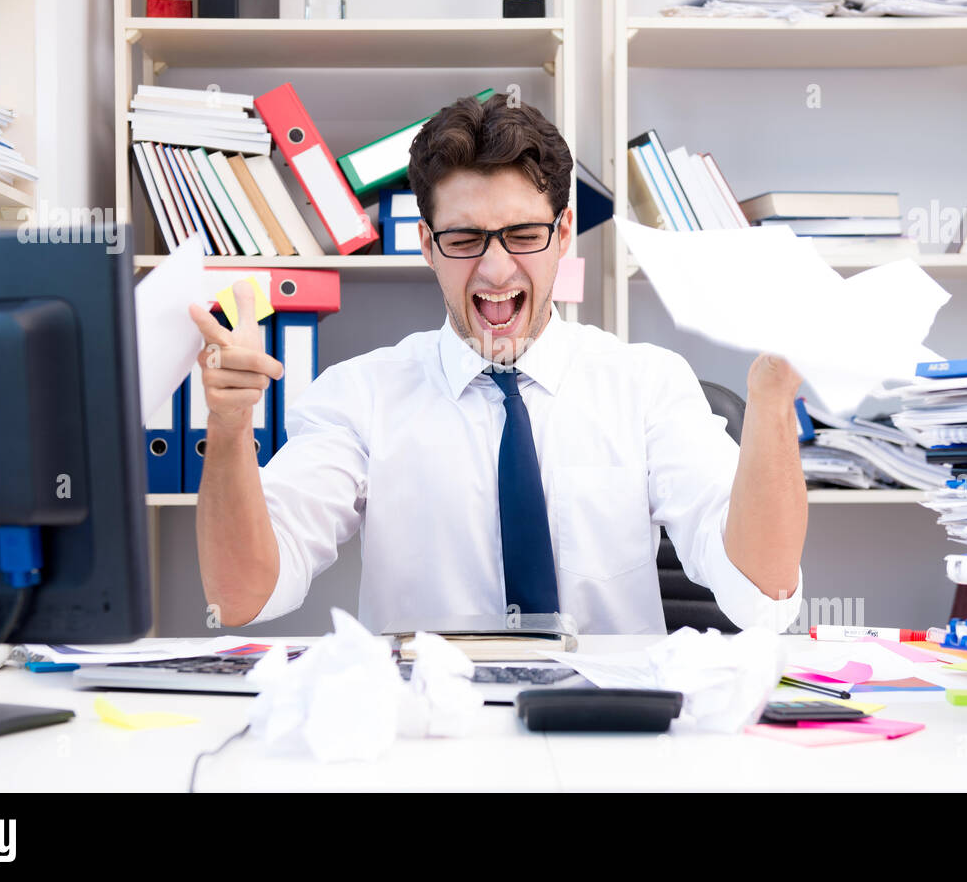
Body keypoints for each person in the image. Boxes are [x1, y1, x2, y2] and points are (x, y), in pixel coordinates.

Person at [191, 93, 805, 634]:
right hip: (427, 737)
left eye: (522, 235)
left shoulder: (647, 385)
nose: (494, 269)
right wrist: (228, 428)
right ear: (428, 247)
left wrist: (773, 401)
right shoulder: (360, 396)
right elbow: (242, 597)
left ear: (564, 234)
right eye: (463, 240)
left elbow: (762, 592)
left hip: (607, 734)